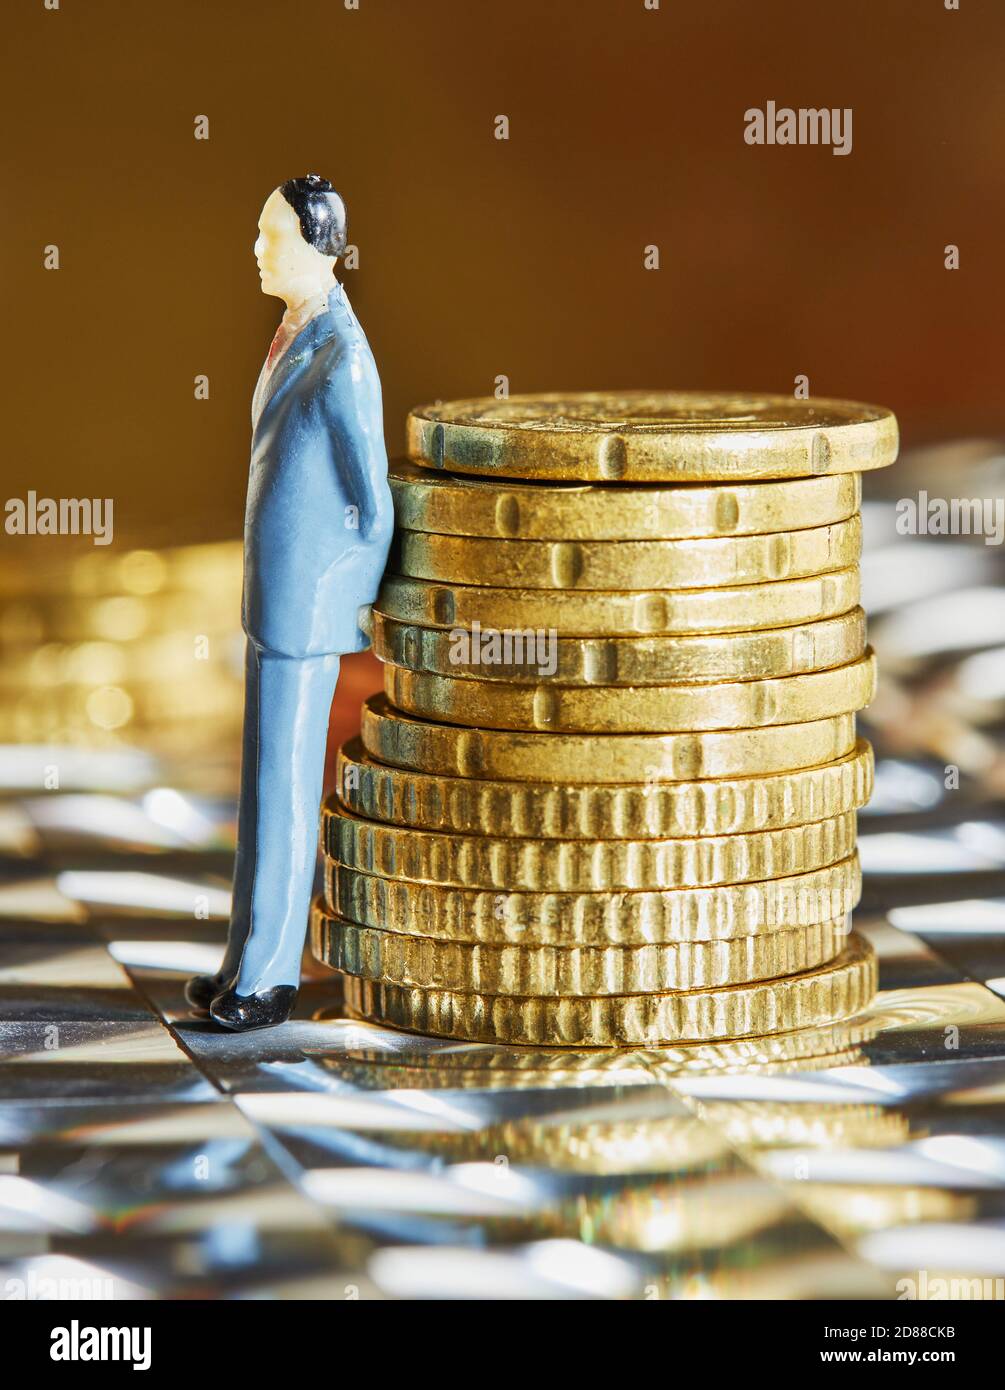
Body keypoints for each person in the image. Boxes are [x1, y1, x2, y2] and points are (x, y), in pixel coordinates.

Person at [186, 174, 393, 1030]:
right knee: (261, 788)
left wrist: (352, 594)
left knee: (283, 788)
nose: (257, 248)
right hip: (272, 602)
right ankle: (242, 959)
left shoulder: (342, 355)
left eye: (272, 236)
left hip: (303, 609)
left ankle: (269, 977)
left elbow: (370, 496)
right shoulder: (293, 334)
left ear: (319, 248)